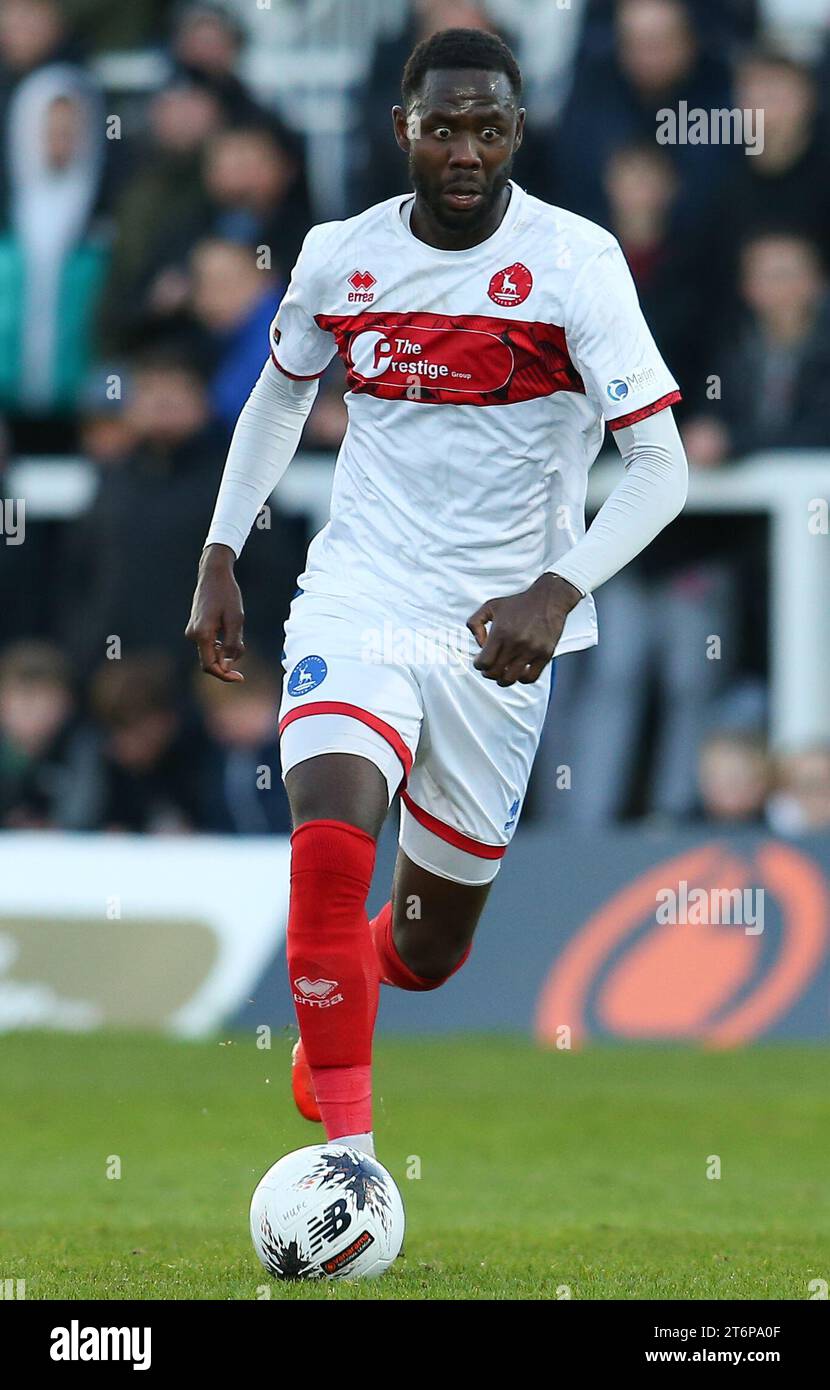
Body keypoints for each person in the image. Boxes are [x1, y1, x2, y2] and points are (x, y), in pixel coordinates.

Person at [186, 28, 688, 1159]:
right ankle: (349, 1165)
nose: (465, 149)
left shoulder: (575, 264)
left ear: (515, 133)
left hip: (497, 632)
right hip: (360, 589)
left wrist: (555, 592)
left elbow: (661, 467)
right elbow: (277, 398)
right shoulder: (337, 256)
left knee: (425, 947)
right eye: (444, 125)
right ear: (403, 128)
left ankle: (349, 986)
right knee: (324, 852)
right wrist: (221, 552)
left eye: (488, 127)